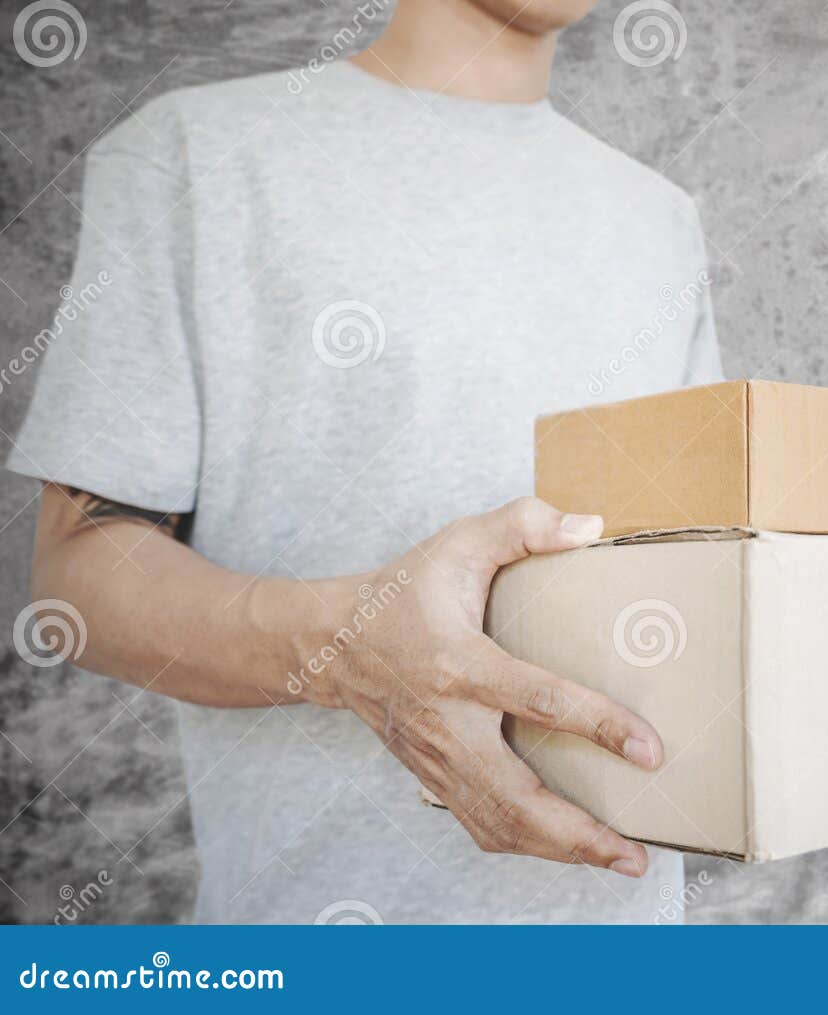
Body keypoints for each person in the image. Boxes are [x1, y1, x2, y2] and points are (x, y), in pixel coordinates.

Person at [6, 0, 721, 923]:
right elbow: (79, 580)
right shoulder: (195, 156)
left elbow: (700, 558)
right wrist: (348, 648)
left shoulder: (661, 217)